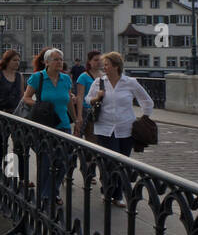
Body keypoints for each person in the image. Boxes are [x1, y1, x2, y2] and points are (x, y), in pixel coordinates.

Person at [85, 51, 154, 206]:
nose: (104, 67)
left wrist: (145, 117)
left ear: (116, 66)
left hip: (126, 129)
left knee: (123, 164)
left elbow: (147, 101)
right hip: (104, 128)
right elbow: (88, 99)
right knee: (110, 163)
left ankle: (117, 195)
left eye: (107, 65)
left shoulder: (130, 82)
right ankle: (108, 191)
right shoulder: (99, 82)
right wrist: (97, 97)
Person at [20, 48, 77, 202]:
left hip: (63, 125)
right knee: (46, 161)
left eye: (61, 59)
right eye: (56, 59)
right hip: (45, 126)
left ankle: (51, 191)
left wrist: (76, 119)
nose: (59, 62)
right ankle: (47, 195)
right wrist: (41, 105)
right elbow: (26, 98)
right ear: (47, 62)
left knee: (64, 161)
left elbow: (69, 101)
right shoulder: (38, 78)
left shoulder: (66, 79)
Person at [73, 49, 103, 134]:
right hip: (85, 110)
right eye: (96, 60)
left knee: (95, 137)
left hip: (98, 110)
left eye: (100, 60)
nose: (99, 62)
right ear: (89, 61)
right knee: (80, 134)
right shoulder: (83, 77)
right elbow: (80, 97)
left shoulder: (104, 76)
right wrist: (79, 116)